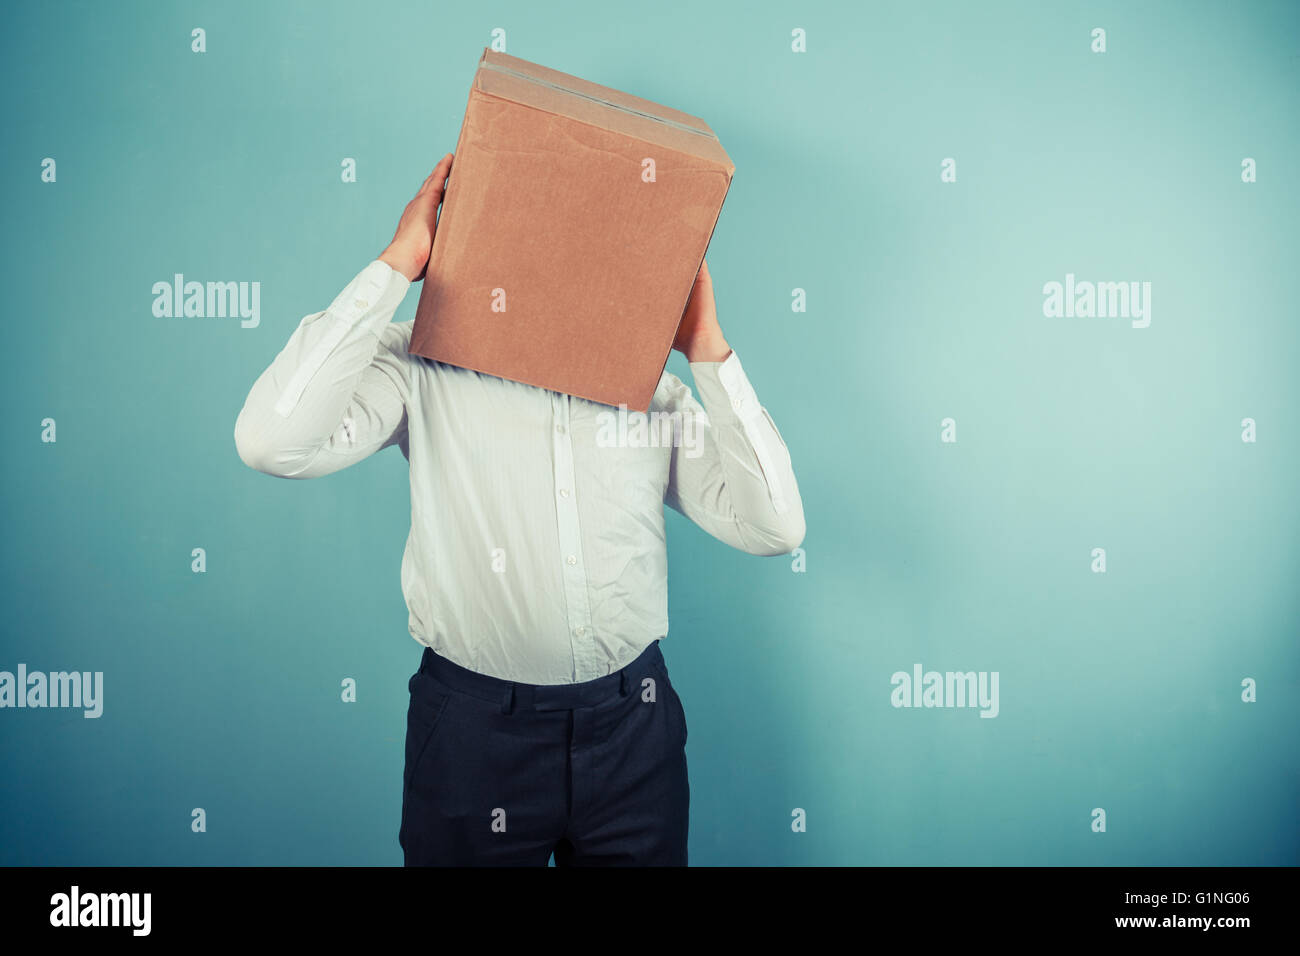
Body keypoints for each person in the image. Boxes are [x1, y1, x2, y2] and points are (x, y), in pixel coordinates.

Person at [233, 152, 806, 866]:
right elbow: (270, 441)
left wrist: (709, 352)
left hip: (636, 731)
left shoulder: (649, 390)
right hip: (476, 739)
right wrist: (396, 265)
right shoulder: (422, 362)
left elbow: (774, 524)